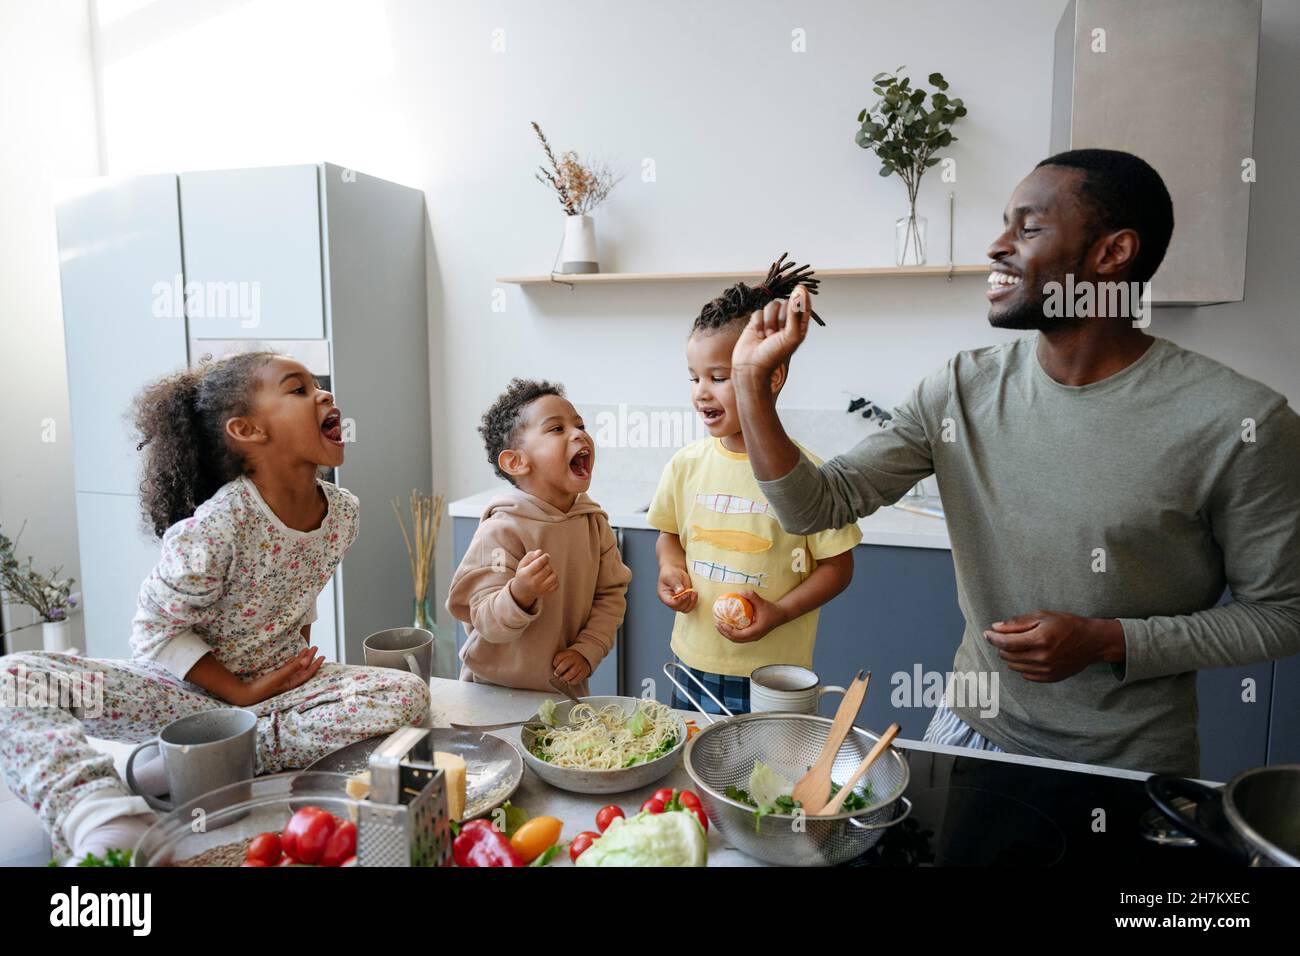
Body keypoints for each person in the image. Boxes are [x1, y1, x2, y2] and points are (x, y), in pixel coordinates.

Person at [731, 149, 1300, 776]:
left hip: (1125, 764)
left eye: (1027, 228)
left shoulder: (1238, 422)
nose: (998, 246)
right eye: (1005, 224)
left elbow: (1282, 614)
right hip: (966, 728)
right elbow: (815, 507)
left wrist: (1109, 640)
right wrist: (751, 385)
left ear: (1112, 254)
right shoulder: (958, 388)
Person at [0, 351, 430, 862]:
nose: (324, 394)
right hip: (182, 695)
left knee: (406, 694)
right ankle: (104, 811)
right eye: (298, 389)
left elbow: (302, 594)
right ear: (247, 430)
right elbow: (155, 632)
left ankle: (192, 761)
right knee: (15, 678)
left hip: (275, 696)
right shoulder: (218, 524)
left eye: (319, 386)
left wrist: (291, 678)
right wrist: (240, 693)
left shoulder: (343, 514)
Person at [648, 258, 859, 714]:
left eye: (719, 378)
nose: (702, 392)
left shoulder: (808, 476)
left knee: (769, 777)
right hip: (693, 663)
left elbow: (838, 569)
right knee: (693, 771)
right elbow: (669, 537)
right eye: (695, 377)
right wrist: (670, 570)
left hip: (774, 674)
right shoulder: (685, 466)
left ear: (771, 375)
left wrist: (779, 613)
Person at [447, 379, 631, 694]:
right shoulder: (501, 530)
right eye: (556, 429)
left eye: (579, 425)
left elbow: (610, 597)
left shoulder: (593, 523)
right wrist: (520, 592)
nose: (578, 433)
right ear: (516, 461)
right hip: (492, 693)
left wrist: (587, 650)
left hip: (563, 694)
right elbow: (485, 621)